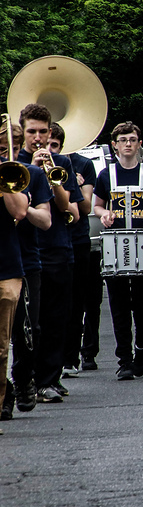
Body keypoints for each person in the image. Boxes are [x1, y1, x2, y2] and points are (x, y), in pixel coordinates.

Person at [18, 103, 82, 402]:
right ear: (23, 132)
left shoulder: (62, 164)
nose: (38, 137)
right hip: (27, 251)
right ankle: (28, 379)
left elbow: (70, 211)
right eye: (32, 131)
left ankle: (49, 379)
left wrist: (50, 176)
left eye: (43, 131)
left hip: (58, 247)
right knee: (31, 322)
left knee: (58, 318)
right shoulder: (14, 163)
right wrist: (30, 165)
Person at [93, 122, 143, 380]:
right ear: (115, 144)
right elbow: (98, 206)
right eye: (123, 140)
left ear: (139, 143)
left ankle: (141, 348)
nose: (128, 144)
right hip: (116, 243)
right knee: (119, 303)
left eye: (132, 139)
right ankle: (124, 358)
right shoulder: (106, 175)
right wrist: (104, 215)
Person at [1, 121, 49, 420]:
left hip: (25, 259)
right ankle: (5, 391)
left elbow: (42, 220)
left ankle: (24, 378)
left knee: (27, 330)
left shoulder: (31, 174)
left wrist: (26, 204)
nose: (7, 152)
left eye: (10, 147)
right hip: (5, 257)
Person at [47, 124, 97, 379]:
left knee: (76, 300)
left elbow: (84, 209)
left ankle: (70, 356)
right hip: (47, 241)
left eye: (55, 146)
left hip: (77, 239)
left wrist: (72, 183)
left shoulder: (82, 164)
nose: (49, 149)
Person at [0, 120, 28, 431]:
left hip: (6, 266)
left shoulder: (15, 174)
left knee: (1, 345)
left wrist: (6, 181)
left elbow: (20, 212)